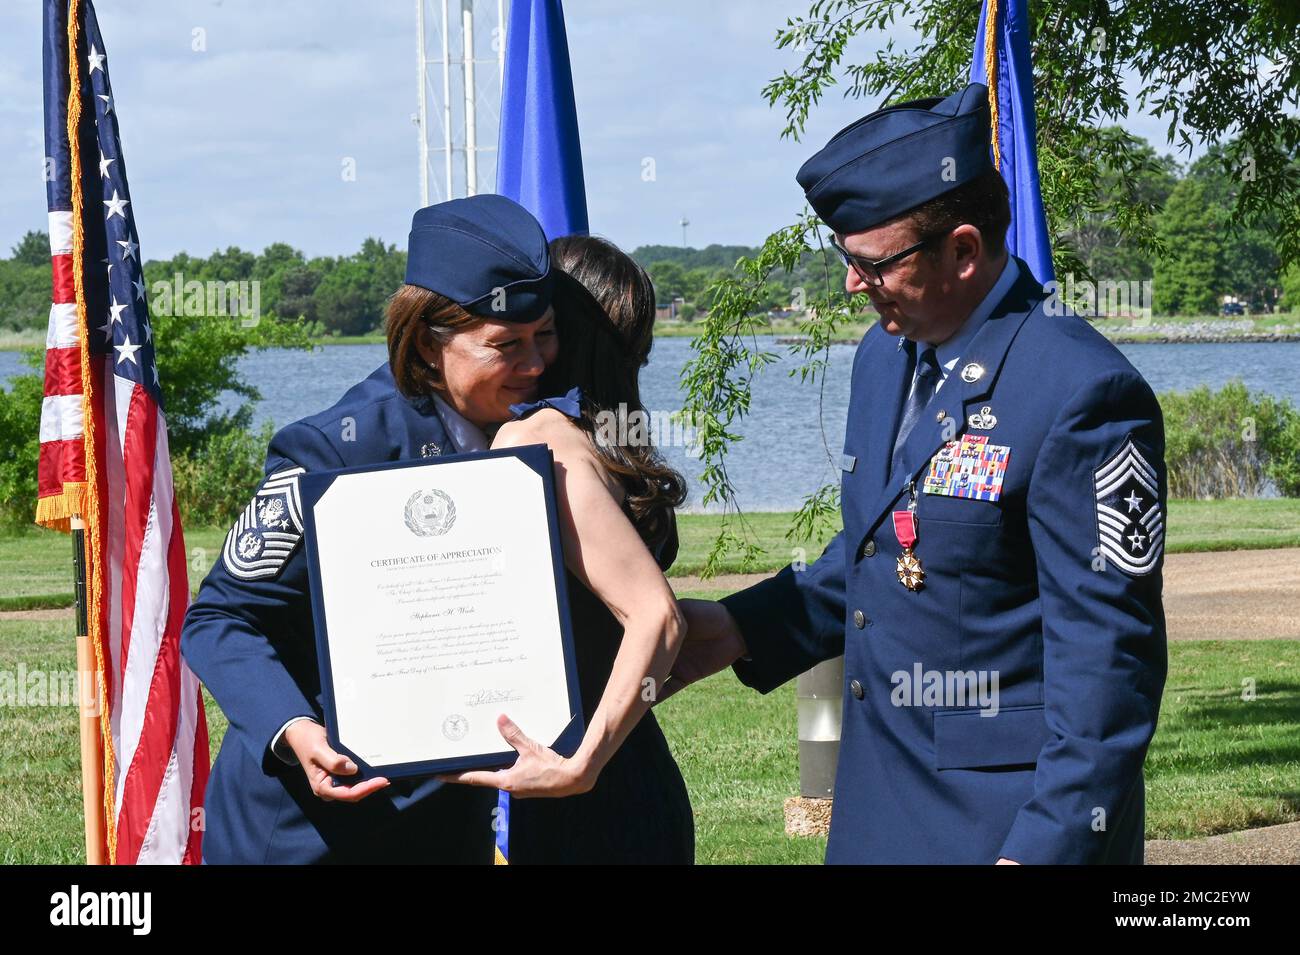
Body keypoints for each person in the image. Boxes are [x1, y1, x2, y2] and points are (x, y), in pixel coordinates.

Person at [668, 83, 1168, 864]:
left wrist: (1041, 848)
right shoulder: (884, 355)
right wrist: (736, 628)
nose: (850, 283)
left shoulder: (1082, 393)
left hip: (1003, 832)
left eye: (873, 263)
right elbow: (880, 558)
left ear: (963, 250)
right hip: (877, 818)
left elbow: (1110, 670)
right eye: (845, 258)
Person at [181, 194, 561, 863]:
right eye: (506, 346)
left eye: (546, 337)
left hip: (447, 827)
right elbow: (220, 618)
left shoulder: (532, 432)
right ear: (426, 341)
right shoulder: (332, 453)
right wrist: (295, 727)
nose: (535, 365)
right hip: (305, 832)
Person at [441, 235, 696, 864]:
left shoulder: (540, 441)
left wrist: (582, 763)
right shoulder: (603, 435)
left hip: (590, 795)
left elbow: (657, 616)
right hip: (633, 776)